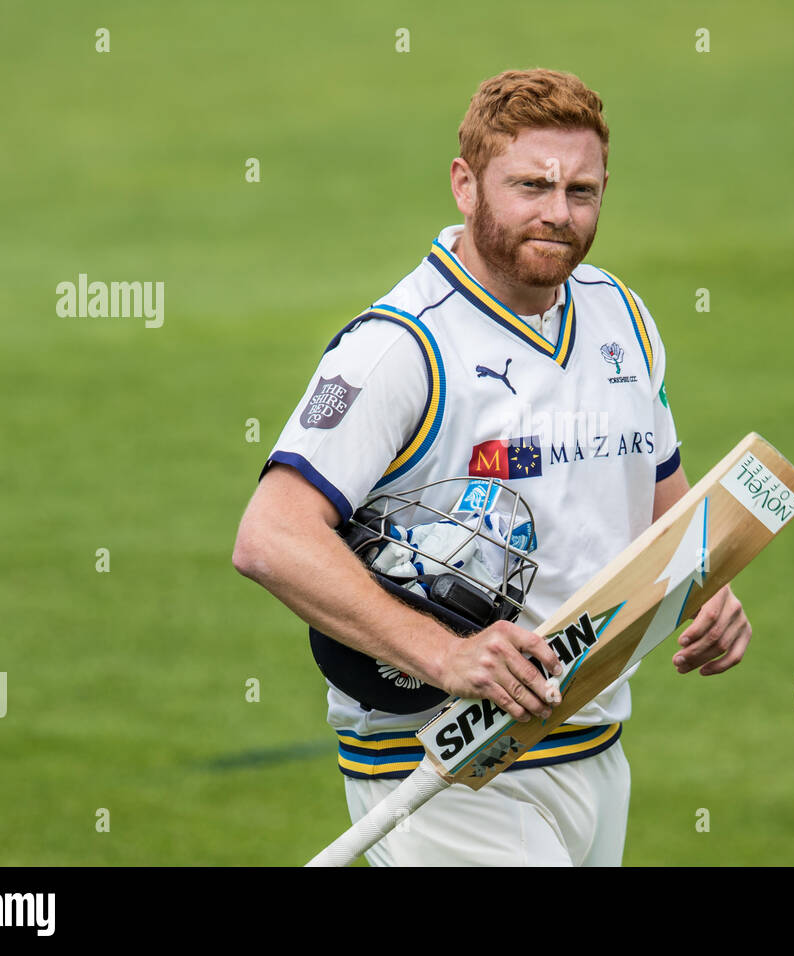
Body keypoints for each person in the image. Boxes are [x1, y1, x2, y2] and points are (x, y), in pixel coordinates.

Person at [232, 68, 751, 866]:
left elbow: (662, 508)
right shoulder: (403, 347)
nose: (558, 212)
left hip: (594, 749)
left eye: (582, 190)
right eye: (531, 185)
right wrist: (443, 655)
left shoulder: (622, 318)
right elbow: (271, 537)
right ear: (465, 185)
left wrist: (704, 588)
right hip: (442, 770)